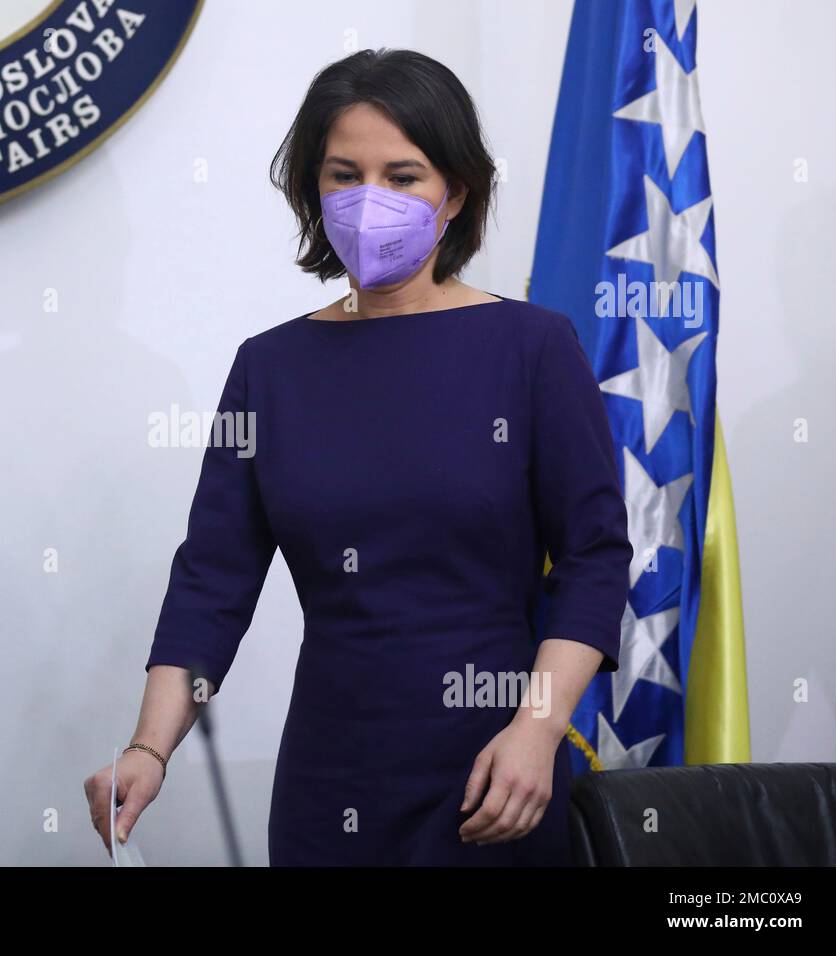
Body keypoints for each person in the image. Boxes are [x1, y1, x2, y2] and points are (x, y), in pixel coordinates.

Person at [83, 47, 632, 865]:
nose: (370, 201)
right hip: (330, 773)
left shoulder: (533, 347)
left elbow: (594, 558)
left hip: (498, 769)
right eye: (345, 174)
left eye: (403, 176)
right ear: (313, 188)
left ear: (458, 193)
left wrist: (538, 726)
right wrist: (148, 748)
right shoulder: (268, 368)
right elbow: (213, 576)